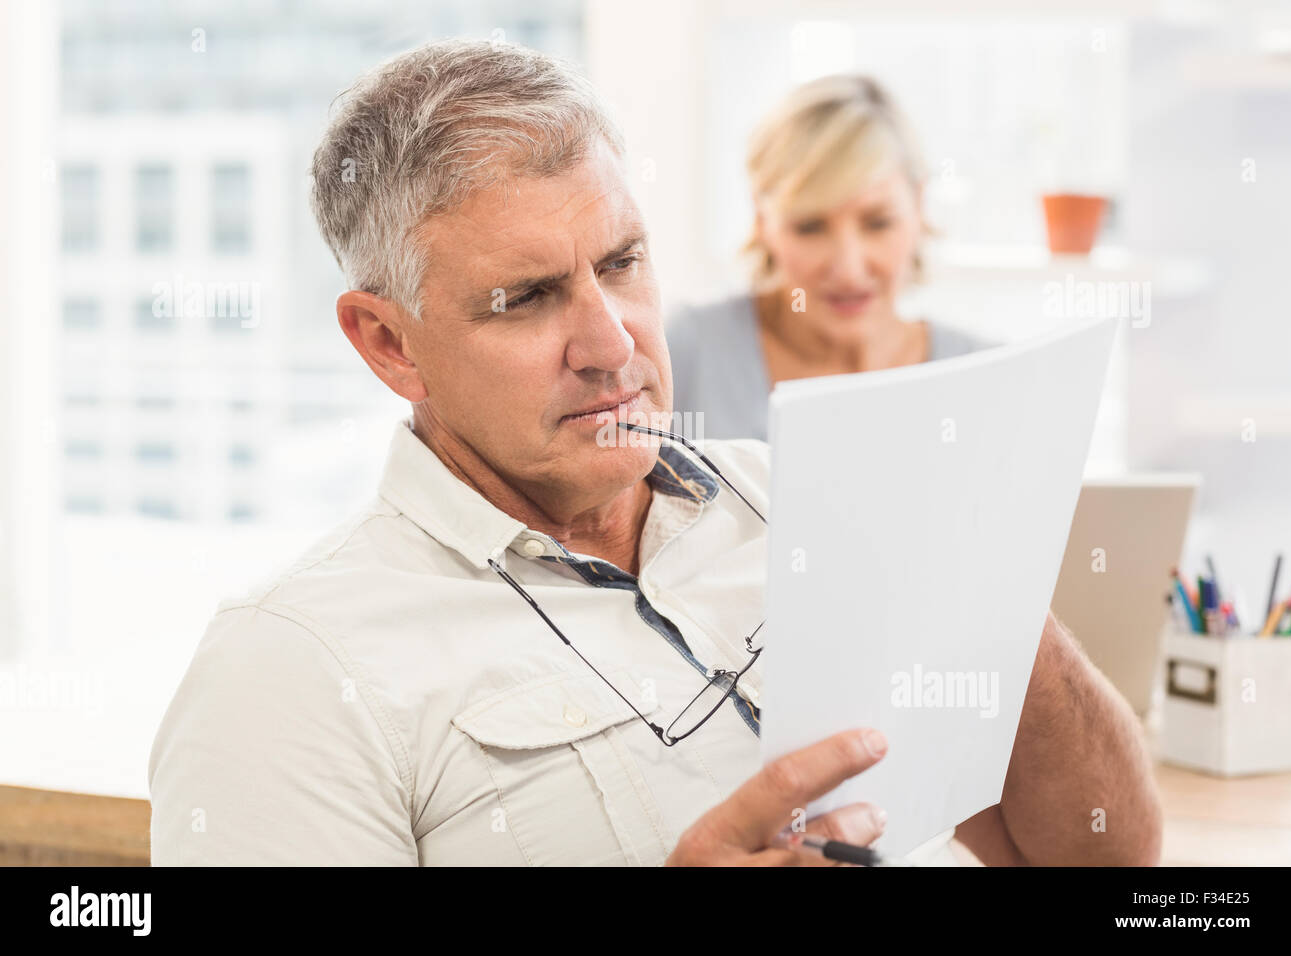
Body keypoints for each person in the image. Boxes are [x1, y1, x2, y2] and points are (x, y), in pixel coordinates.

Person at [148, 39, 1161, 866]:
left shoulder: (809, 504)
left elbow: (1105, 865)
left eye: (623, 263)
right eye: (527, 297)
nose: (614, 342)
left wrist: (987, 565)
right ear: (389, 342)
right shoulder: (286, 670)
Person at [669, 75, 991, 441]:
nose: (849, 270)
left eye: (878, 223)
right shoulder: (687, 353)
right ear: (762, 220)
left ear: (918, 207)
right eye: (810, 227)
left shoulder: (986, 374)